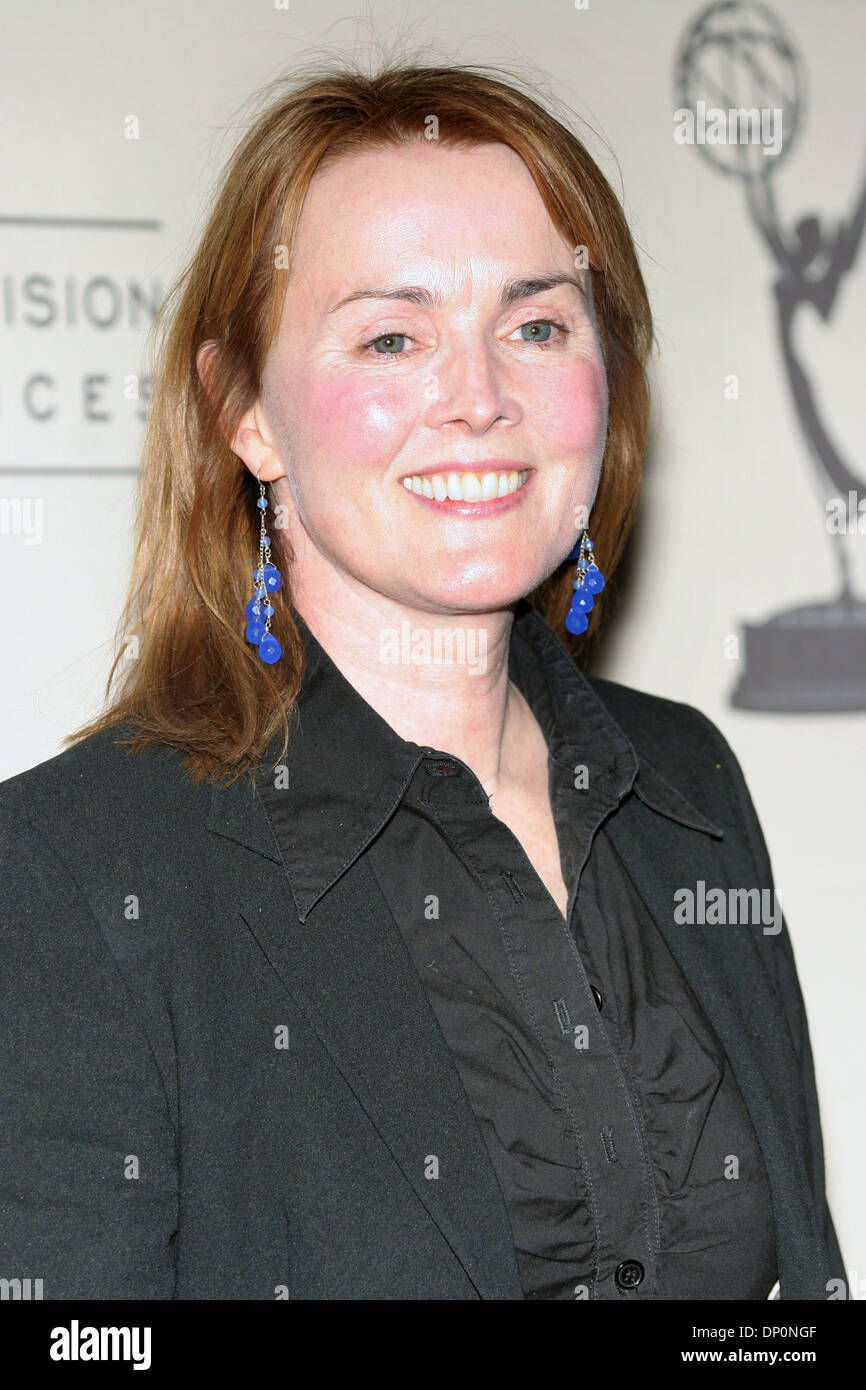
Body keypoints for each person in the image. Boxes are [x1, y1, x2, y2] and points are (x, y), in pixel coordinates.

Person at [0, 59, 845, 1300]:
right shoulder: (71, 873)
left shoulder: (686, 784)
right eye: (393, 336)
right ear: (245, 412)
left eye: (537, 324)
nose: (480, 398)